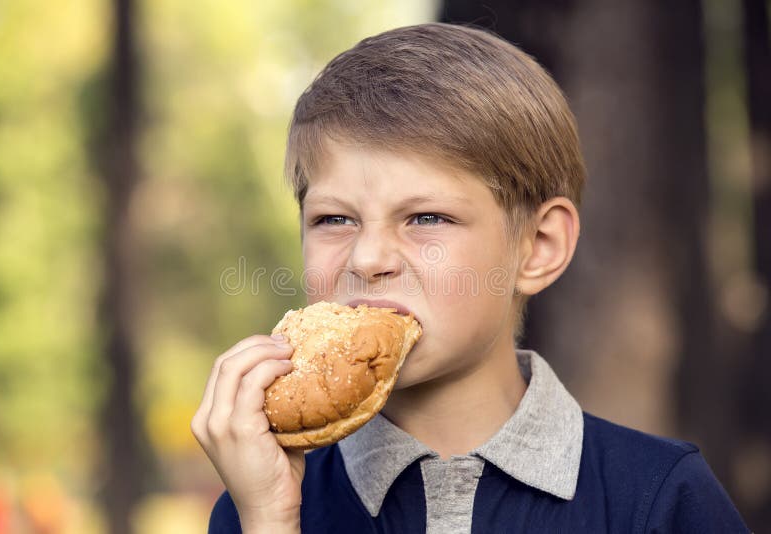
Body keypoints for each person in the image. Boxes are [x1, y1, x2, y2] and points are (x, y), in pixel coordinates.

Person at [191, 22, 749, 533]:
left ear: (539, 248)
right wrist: (267, 518)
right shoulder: (261, 503)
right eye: (334, 219)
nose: (367, 259)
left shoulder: (659, 496)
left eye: (426, 218)